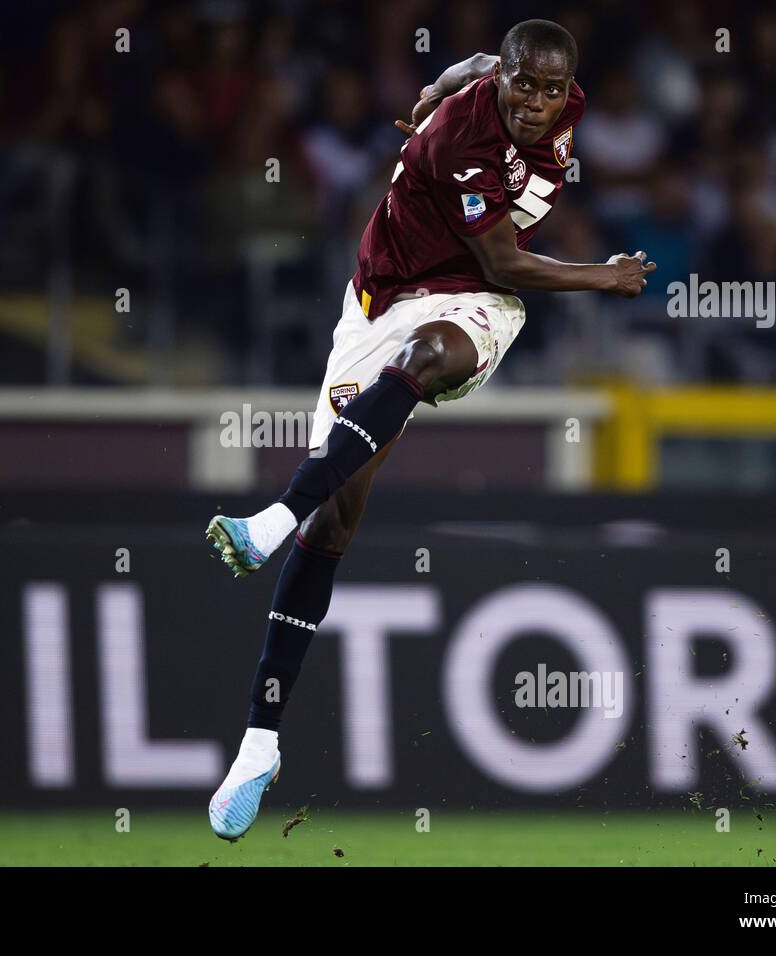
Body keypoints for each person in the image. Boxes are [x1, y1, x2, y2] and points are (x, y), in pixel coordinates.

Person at [204, 19, 656, 841]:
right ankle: (258, 747)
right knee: (336, 518)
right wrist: (606, 275)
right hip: (384, 300)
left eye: (552, 90)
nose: (538, 103)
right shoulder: (462, 142)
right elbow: (506, 258)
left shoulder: (547, 94)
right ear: (505, 84)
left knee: (429, 353)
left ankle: (271, 520)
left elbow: (485, 68)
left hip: (469, 310)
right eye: (526, 86)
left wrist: (440, 77)